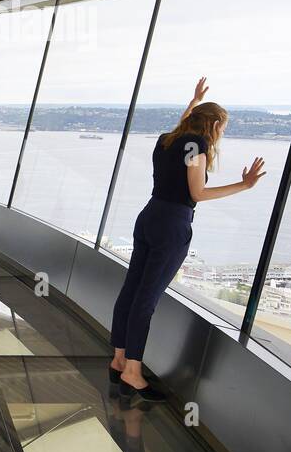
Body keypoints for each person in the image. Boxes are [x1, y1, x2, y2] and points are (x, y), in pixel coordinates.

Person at [110, 78, 266, 403]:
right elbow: (197, 193)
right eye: (222, 127)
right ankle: (132, 372)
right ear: (212, 124)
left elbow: (183, 126)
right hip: (173, 224)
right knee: (146, 300)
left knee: (131, 290)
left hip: (149, 216)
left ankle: (120, 358)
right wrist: (244, 185)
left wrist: (193, 102)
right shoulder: (198, 145)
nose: (221, 133)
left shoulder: (168, 140)